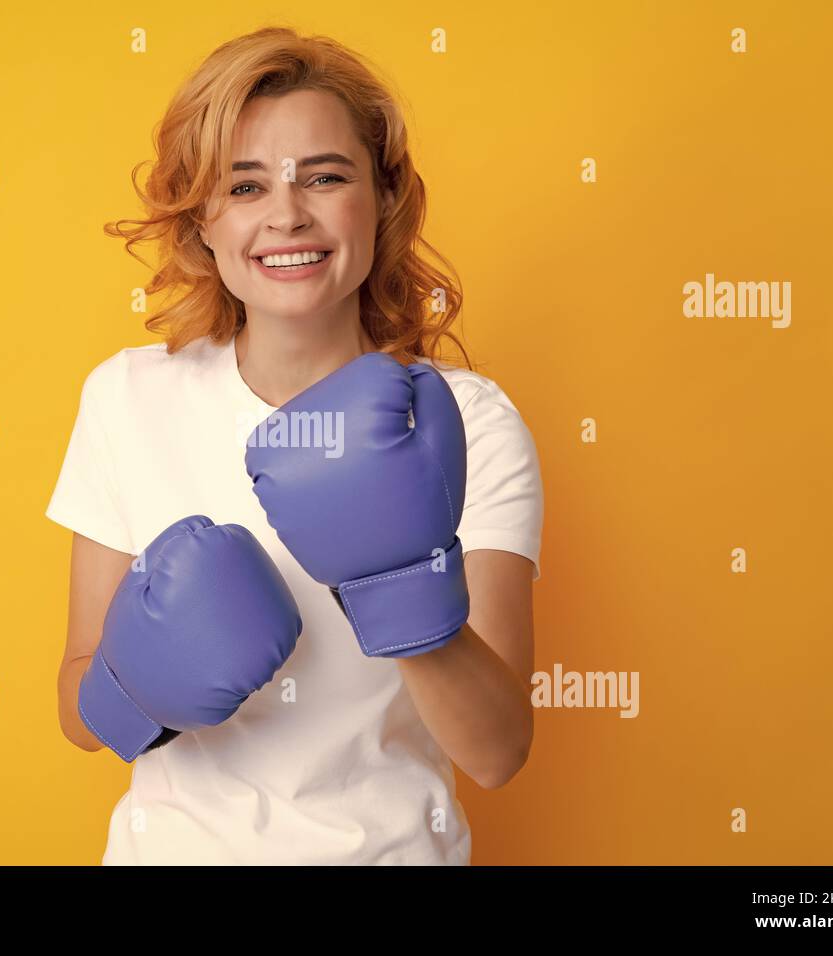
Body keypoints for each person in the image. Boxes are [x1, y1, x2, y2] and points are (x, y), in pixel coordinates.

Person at [47, 27, 543, 865]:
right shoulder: (128, 396)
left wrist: (399, 587)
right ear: (202, 218)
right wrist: (140, 683)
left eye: (325, 176)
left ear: (382, 200)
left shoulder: (467, 421)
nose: (286, 213)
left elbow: (497, 754)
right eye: (244, 185)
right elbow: (76, 707)